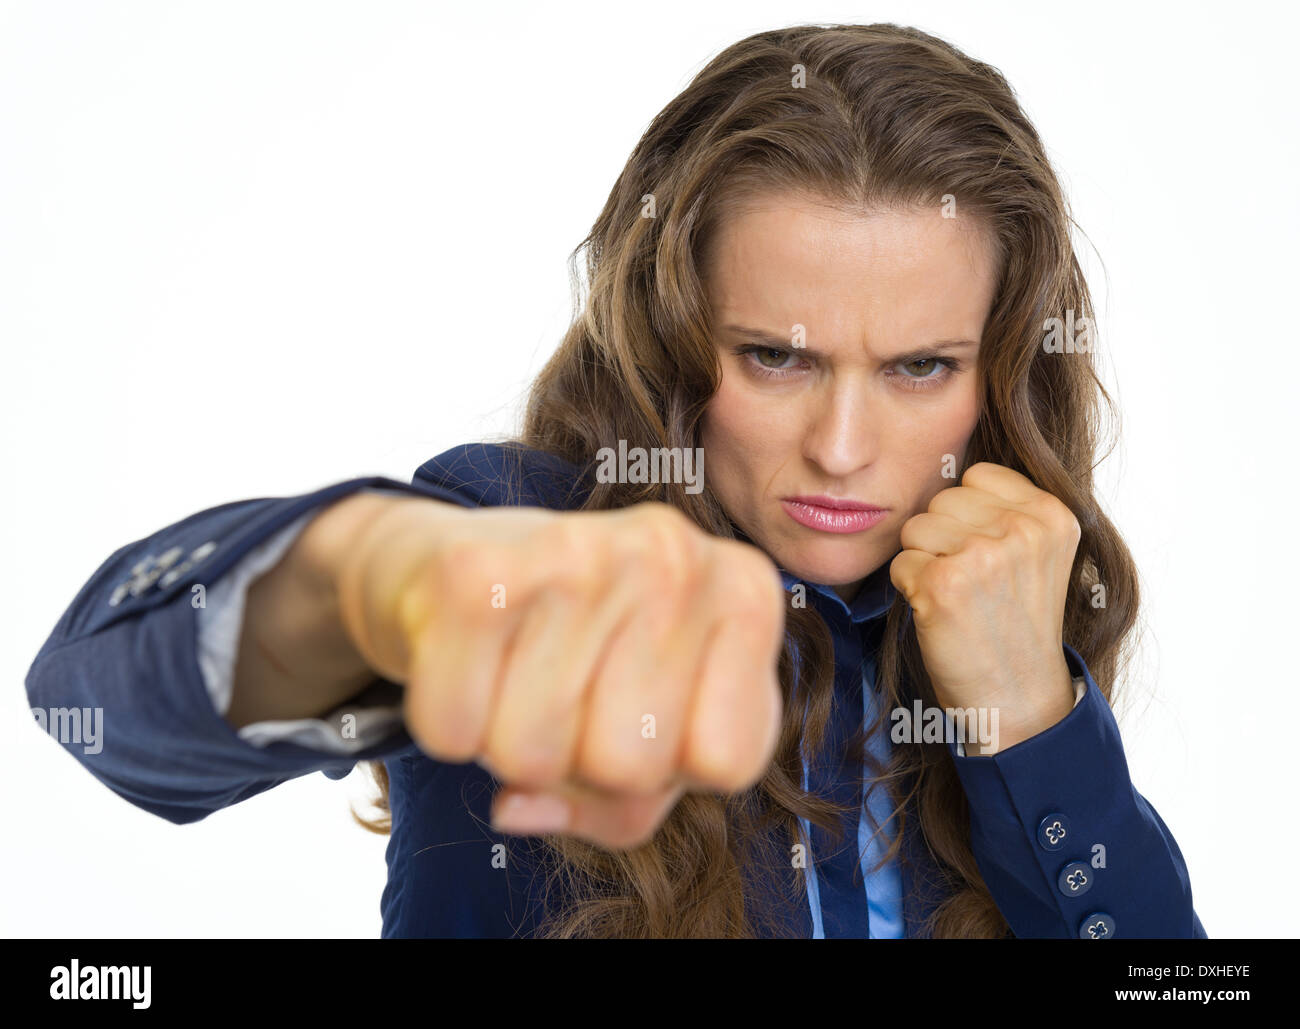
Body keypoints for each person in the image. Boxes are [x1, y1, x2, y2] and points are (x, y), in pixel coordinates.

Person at [25, 22, 1206, 939]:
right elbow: (104, 694)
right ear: (669, 333)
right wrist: (386, 587)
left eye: (918, 368)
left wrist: (1028, 724)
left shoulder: (991, 604)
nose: (843, 448)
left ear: (996, 381)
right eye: (776, 356)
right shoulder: (524, 537)